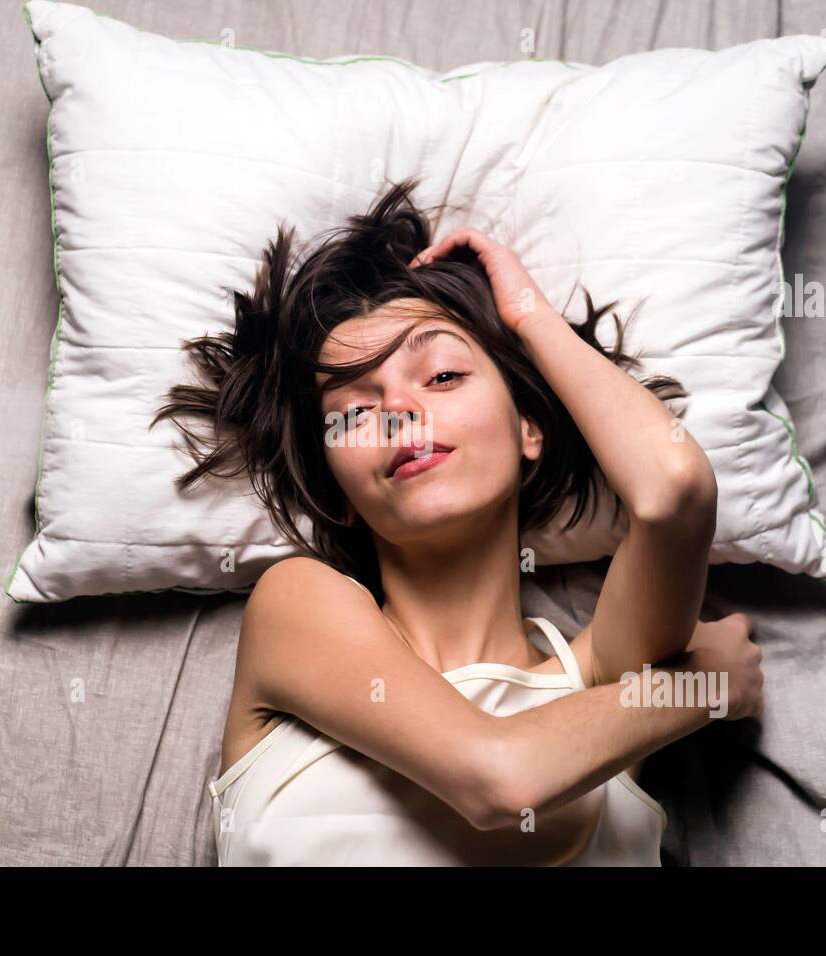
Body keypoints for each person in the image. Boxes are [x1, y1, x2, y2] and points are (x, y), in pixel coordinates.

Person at [153, 176, 764, 865]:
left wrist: (531, 316)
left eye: (441, 376)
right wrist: (698, 689)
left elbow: (675, 491)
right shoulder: (298, 608)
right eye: (353, 411)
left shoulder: (603, 679)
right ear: (340, 494)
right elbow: (501, 779)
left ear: (528, 428)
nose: (398, 412)